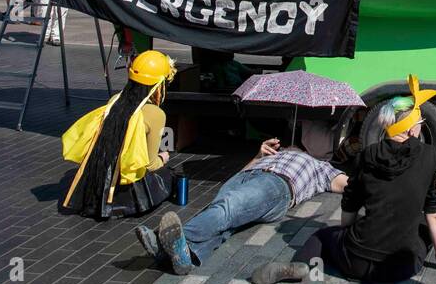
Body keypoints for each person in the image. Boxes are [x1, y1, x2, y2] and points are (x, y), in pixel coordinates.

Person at [251, 81, 436, 284]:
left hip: (355, 261)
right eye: (419, 121)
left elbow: (349, 204)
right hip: (400, 268)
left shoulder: (366, 155)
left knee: (323, 236)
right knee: (422, 226)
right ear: (409, 128)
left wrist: (345, 235)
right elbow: (432, 214)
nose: (420, 125)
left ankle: (302, 265)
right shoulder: (429, 155)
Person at [139, 118, 351, 275]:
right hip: (246, 177)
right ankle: (186, 256)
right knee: (223, 216)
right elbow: (242, 172)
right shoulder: (277, 150)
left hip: (277, 186)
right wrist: (258, 156)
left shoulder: (322, 167)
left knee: (229, 207)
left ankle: (163, 242)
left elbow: (349, 186)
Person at [60, 50, 174, 219]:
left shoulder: (115, 101)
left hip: (97, 186)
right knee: (167, 174)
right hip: (127, 193)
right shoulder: (156, 114)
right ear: (159, 86)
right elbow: (149, 164)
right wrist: (164, 158)